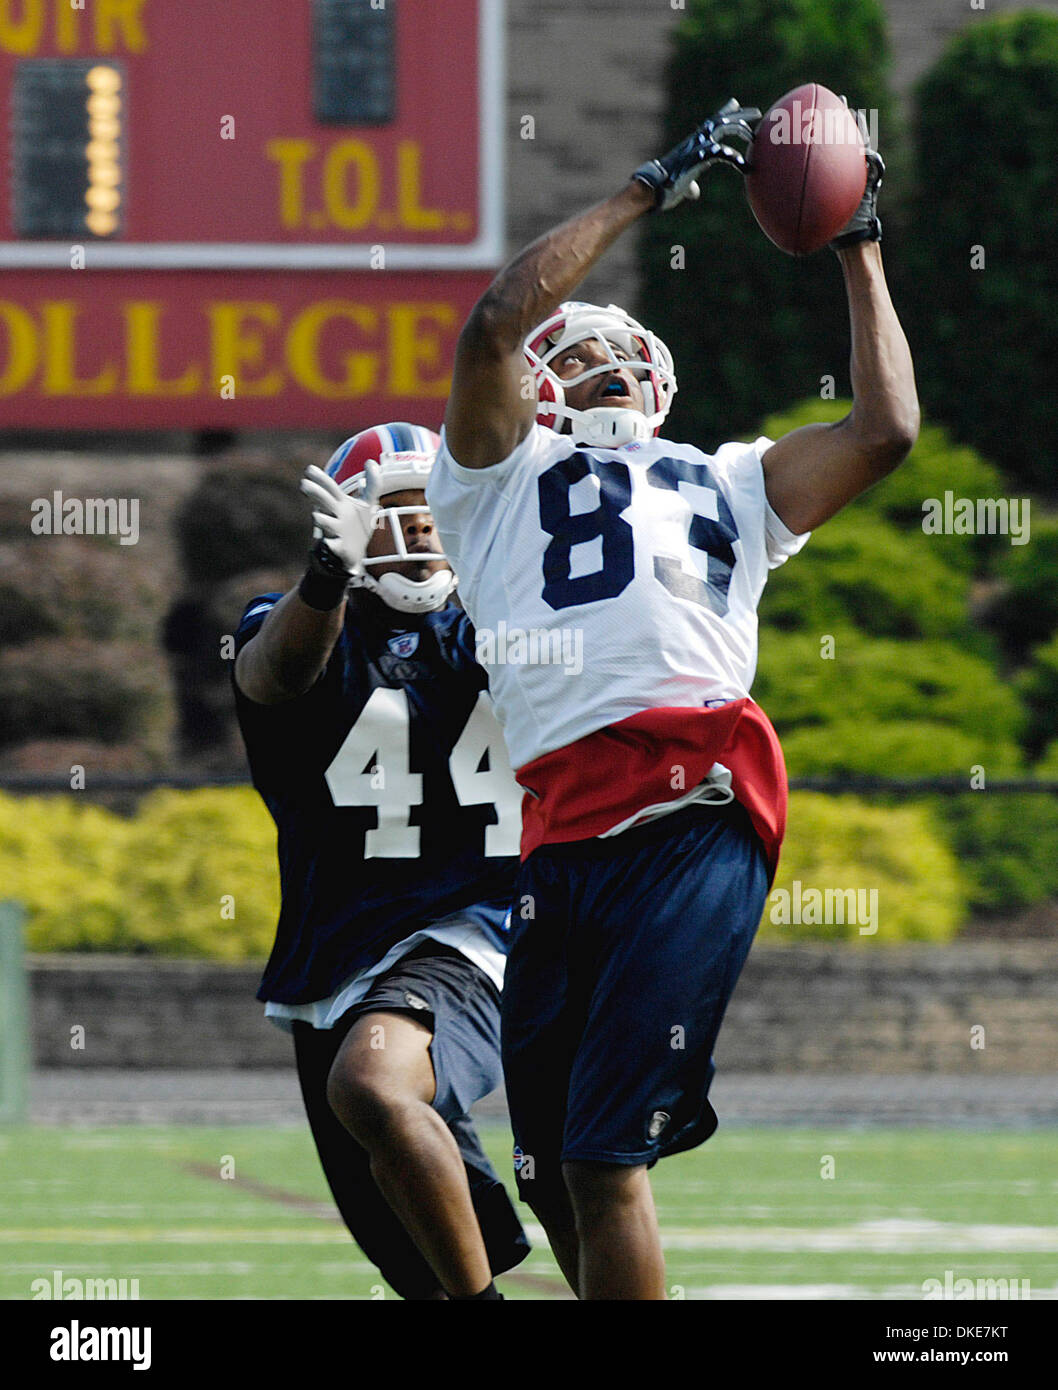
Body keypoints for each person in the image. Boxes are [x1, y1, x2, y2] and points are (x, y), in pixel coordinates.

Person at [426, 102, 919, 1299]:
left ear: (653, 381)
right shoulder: (492, 481)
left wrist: (857, 244)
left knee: (601, 1159)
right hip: (557, 838)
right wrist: (644, 191)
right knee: (549, 1165)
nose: (593, 356)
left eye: (612, 346)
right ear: (542, 388)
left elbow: (885, 428)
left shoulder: (728, 477)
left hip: (694, 804)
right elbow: (496, 320)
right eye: (573, 347)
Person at [232, 422, 529, 1301]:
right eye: (391, 511)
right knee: (415, 1258)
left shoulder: (509, 617)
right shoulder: (299, 622)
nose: (419, 529)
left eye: (434, 508)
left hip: (481, 928)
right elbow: (272, 677)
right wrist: (326, 579)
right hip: (336, 954)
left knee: (372, 1083)